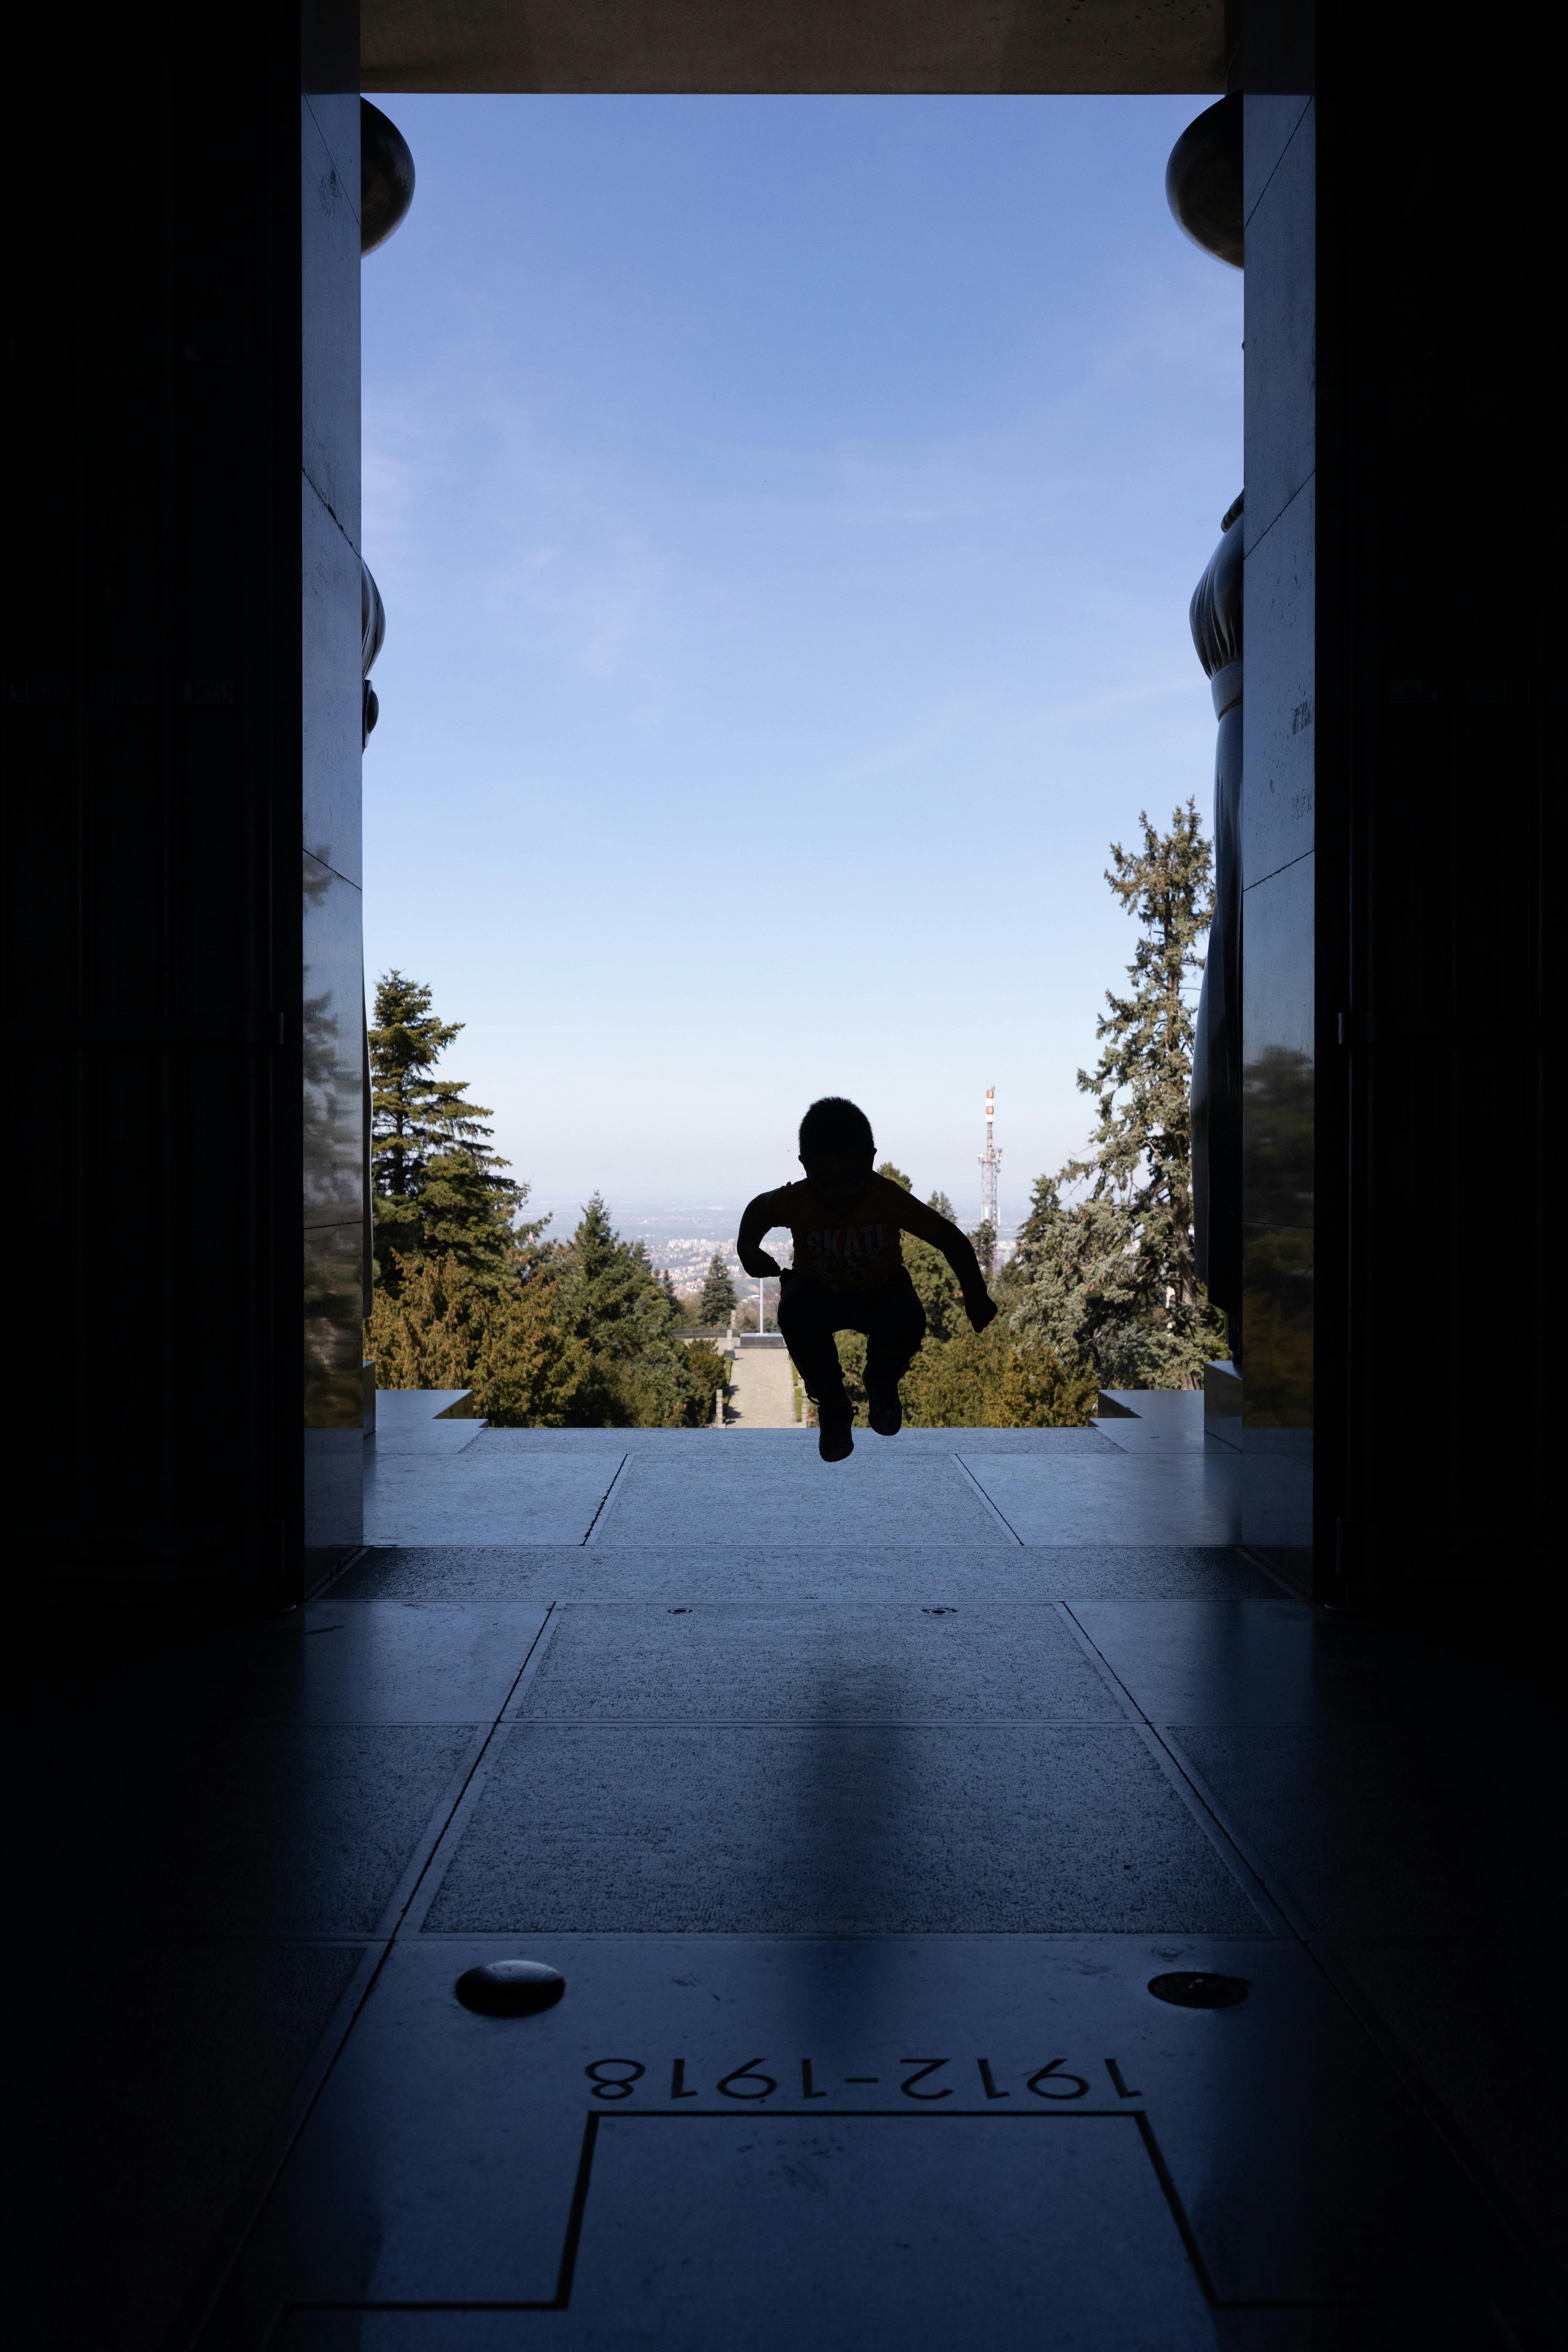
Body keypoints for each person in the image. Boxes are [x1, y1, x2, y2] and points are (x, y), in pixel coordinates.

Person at [737, 1096, 997, 1462]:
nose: (842, 1194)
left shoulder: (886, 1197)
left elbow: (948, 1239)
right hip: (818, 1293)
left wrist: (975, 1294)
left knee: (909, 1315)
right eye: (827, 1184)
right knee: (794, 1311)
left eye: (854, 1180)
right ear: (805, 1166)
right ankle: (833, 1405)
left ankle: (881, 1381)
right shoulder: (797, 1199)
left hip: (880, 1292)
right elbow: (758, 1211)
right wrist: (748, 1250)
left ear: (872, 1161)